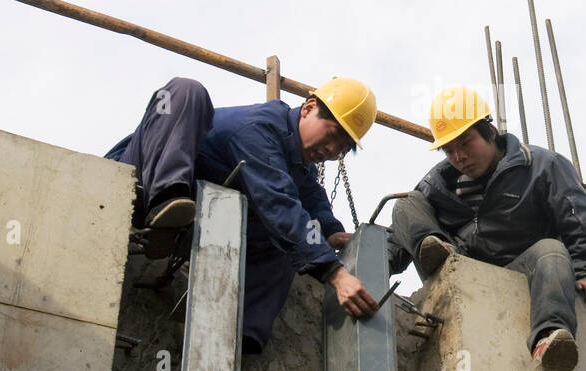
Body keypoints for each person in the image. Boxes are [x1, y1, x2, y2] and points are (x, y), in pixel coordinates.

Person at [104, 76, 382, 352]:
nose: (333, 150)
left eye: (343, 148)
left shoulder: (299, 163)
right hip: (139, 189)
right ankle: (167, 201)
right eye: (333, 134)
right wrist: (335, 273)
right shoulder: (259, 127)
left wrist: (331, 230)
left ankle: (234, 334)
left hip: (194, 223)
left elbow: (311, 196)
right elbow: (278, 202)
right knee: (186, 91)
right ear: (308, 108)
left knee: (286, 241)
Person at [388, 86, 586, 371]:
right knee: (405, 204)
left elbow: (580, 222)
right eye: (449, 150)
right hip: (458, 270)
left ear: (490, 131)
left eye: (465, 143)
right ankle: (440, 253)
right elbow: (399, 236)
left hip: (519, 272)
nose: (459, 157)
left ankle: (548, 344)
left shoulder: (542, 166)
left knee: (552, 250)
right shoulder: (437, 184)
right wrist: (369, 269)